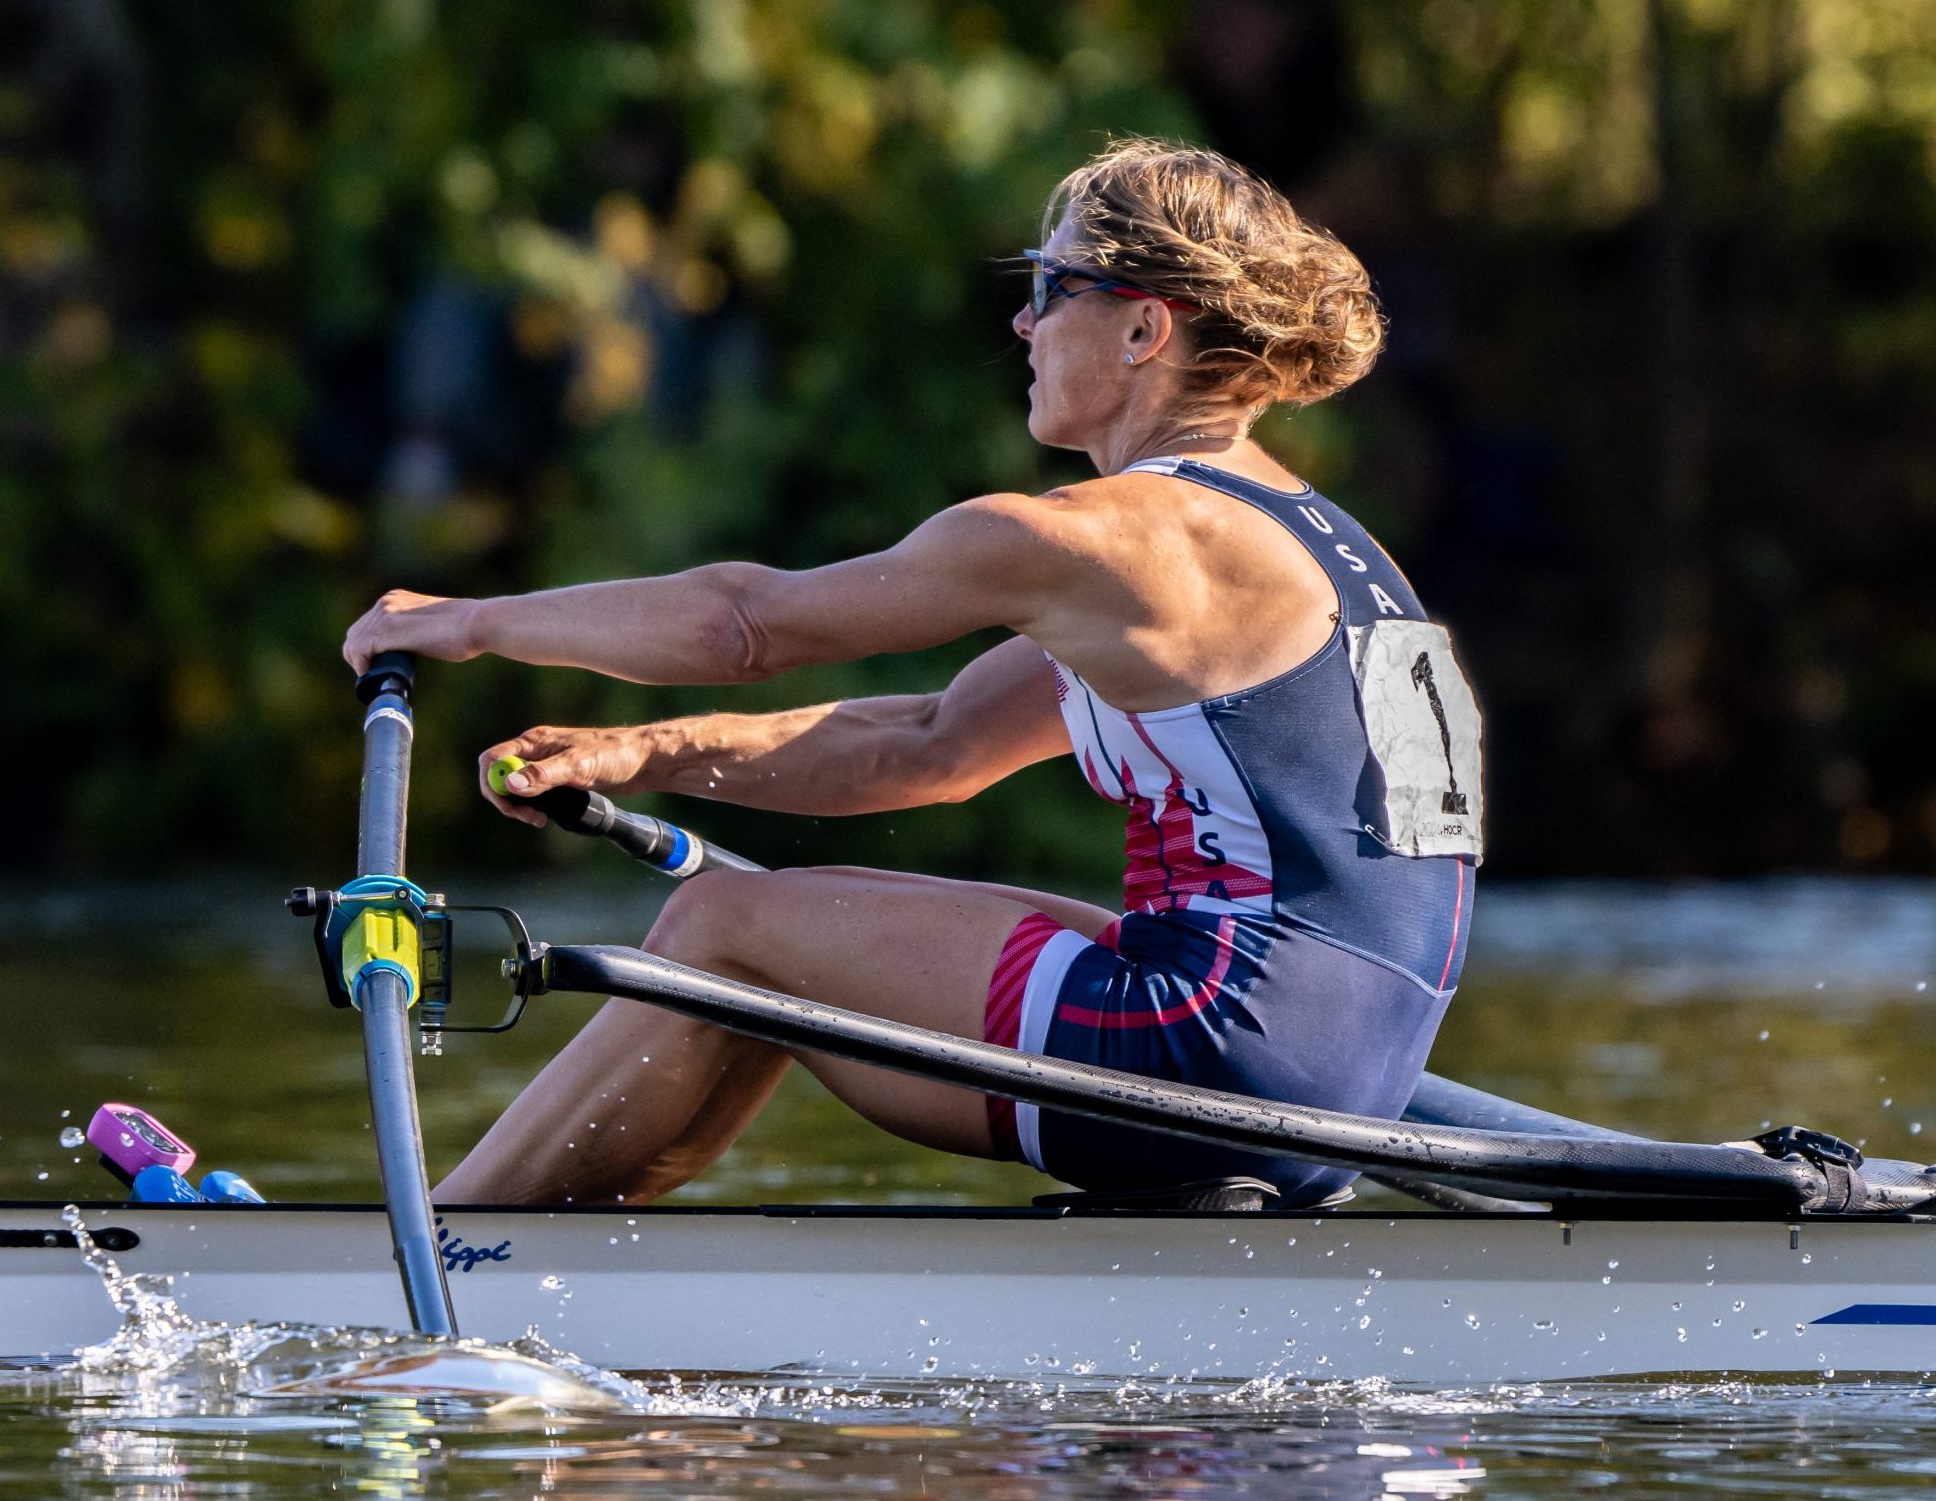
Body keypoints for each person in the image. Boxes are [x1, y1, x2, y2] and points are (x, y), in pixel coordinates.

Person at [343, 138, 1485, 1210]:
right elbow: (932, 744)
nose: (1021, 318)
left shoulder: (1113, 539)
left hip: (1215, 1051)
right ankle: (571, 1253)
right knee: (804, 923)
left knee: (722, 923)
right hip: (1347, 1074)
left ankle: (448, 1242)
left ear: (1142, 329)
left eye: (1049, 285)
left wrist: (471, 619)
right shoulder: (1320, 547)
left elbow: (747, 624)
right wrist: (639, 754)